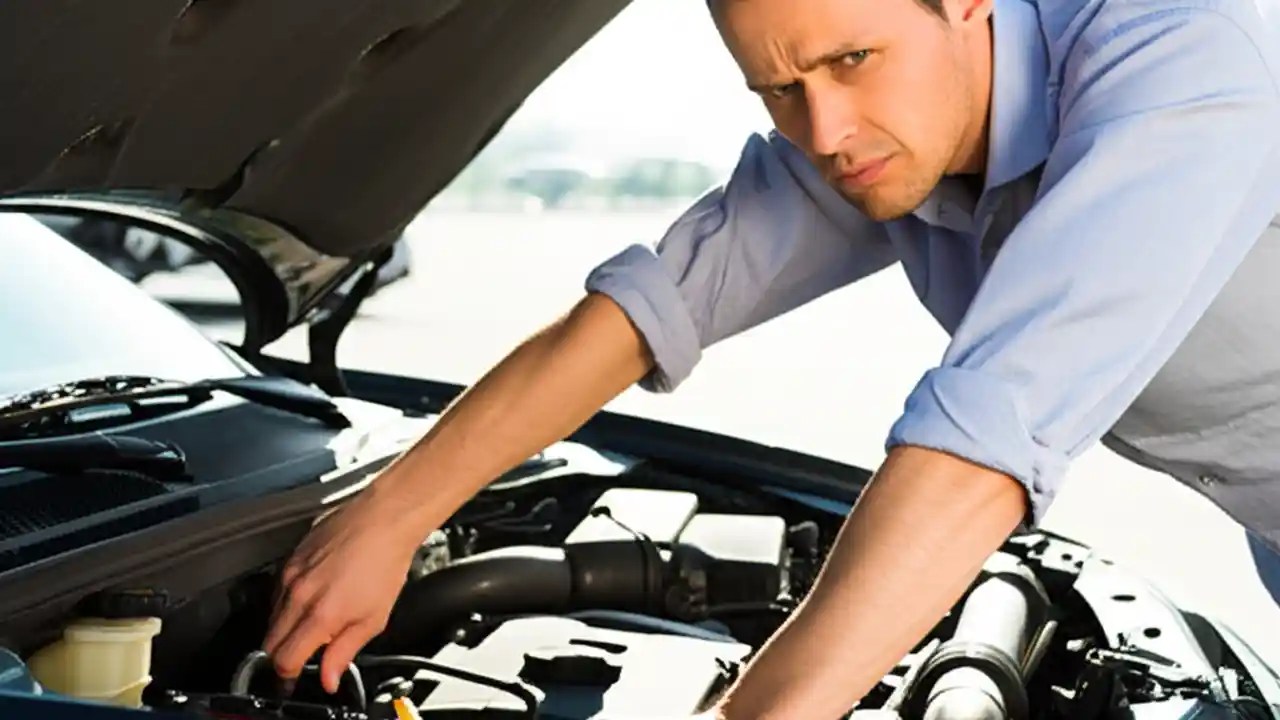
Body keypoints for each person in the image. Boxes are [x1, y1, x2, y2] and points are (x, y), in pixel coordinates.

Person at [264, 0, 1280, 715]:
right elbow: (645, 308)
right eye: (777, 88)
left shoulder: (1177, 63)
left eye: (851, 61)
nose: (825, 132)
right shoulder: (860, 138)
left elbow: (990, 432)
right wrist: (387, 517)